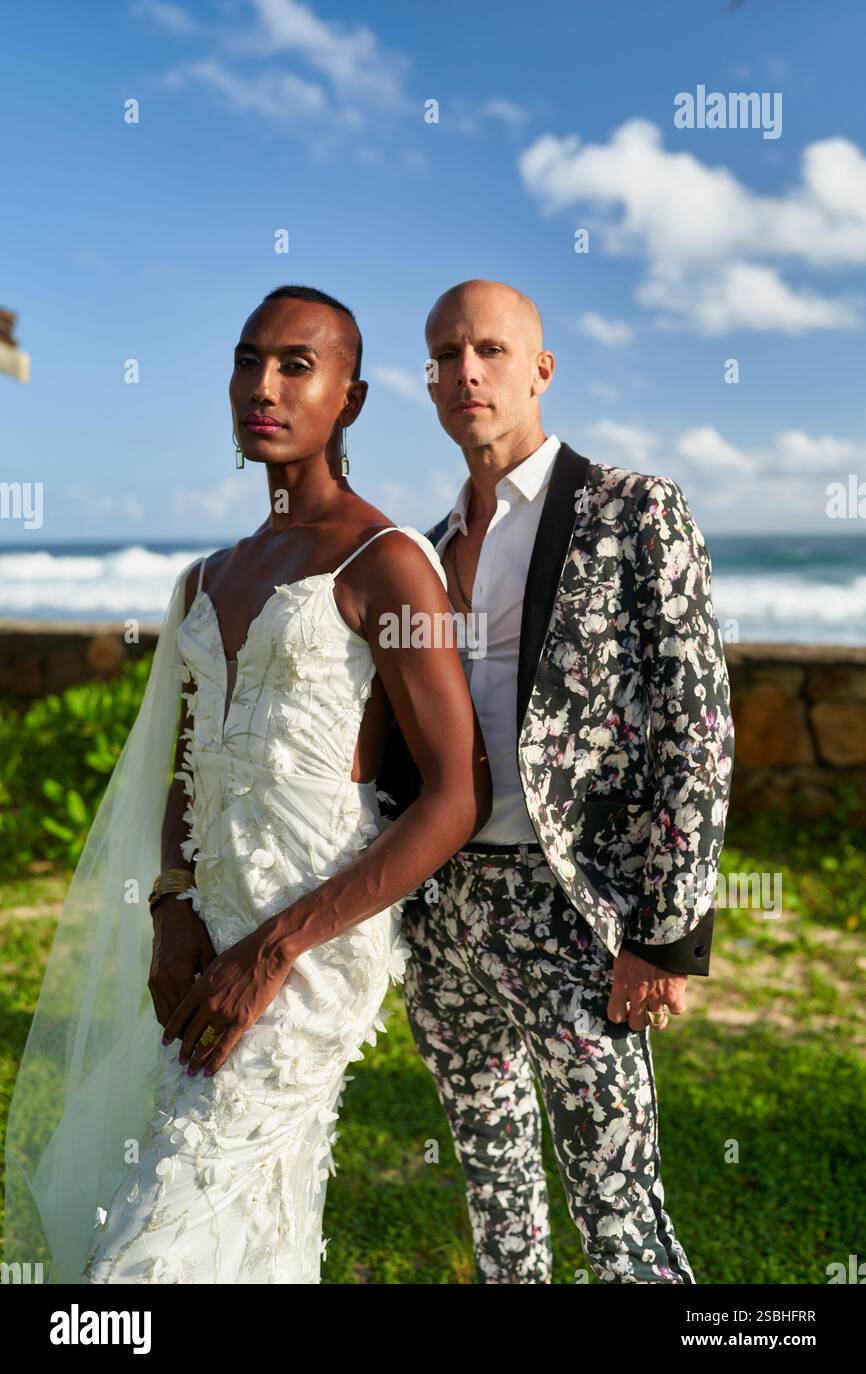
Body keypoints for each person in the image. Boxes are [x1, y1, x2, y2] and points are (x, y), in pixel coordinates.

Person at [4, 284, 491, 1284]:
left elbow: (455, 795)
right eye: (245, 360)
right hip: (206, 939)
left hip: (309, 954)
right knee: (250, 1227)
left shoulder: (387, 562)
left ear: (349, 400)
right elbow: (187, 759)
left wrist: (275, 946)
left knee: (143, 1254)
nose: (260, 387)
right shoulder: (206, 576)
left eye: (294, 366)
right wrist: (172, 902)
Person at [377, 278, 735, 1284]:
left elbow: (691, 728)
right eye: (444, 355)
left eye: (489, 350)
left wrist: (663, 933)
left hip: (575, 911)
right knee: (495, 1195)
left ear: (539, 369)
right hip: (445, 909)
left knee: (618, 1210)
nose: (465, 372)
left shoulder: (633, 511)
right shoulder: (423, 544)